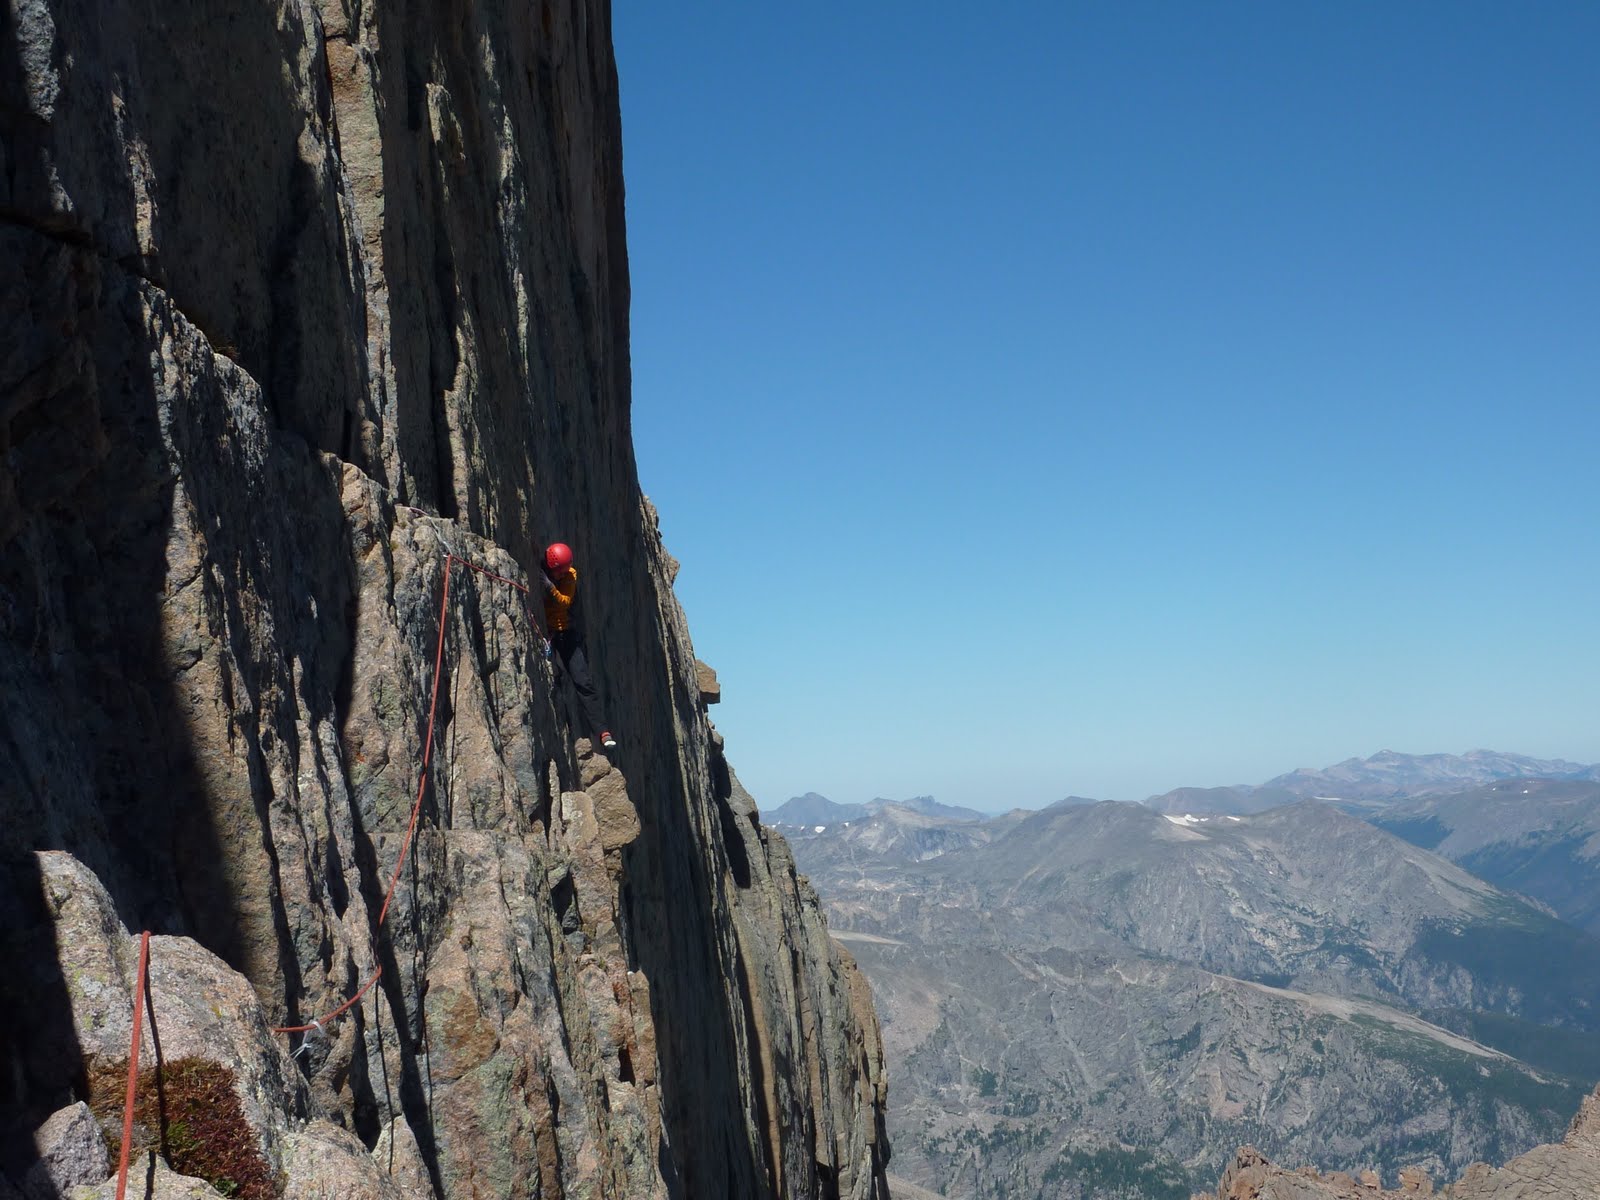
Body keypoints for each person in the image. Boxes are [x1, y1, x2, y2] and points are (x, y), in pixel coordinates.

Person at [538, 542, 617, 750]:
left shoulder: (570, 576)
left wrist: (549, 587)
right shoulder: (544, 569)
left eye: (560, 572)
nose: (559, 576)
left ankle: (603, 731)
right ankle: (563, 728)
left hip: (567, 635)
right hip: (550, 633)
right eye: (557, 573)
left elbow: (564, 601)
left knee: (583, 681)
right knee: (555, 678)